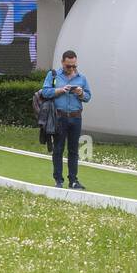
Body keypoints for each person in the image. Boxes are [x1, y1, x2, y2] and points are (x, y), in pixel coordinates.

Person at [40, 50, 92, 189]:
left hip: (76, 117)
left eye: (74, 66)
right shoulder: (53, 75)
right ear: (62, 62)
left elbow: (88, 97)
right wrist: (61, 90)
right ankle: (58, 180)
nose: (71, 69)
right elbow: (44, 92)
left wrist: (81, 93)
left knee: (74, 150)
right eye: (68, 66)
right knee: (58, 149)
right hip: (59, 117)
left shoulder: (82, 78)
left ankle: (73, 180)